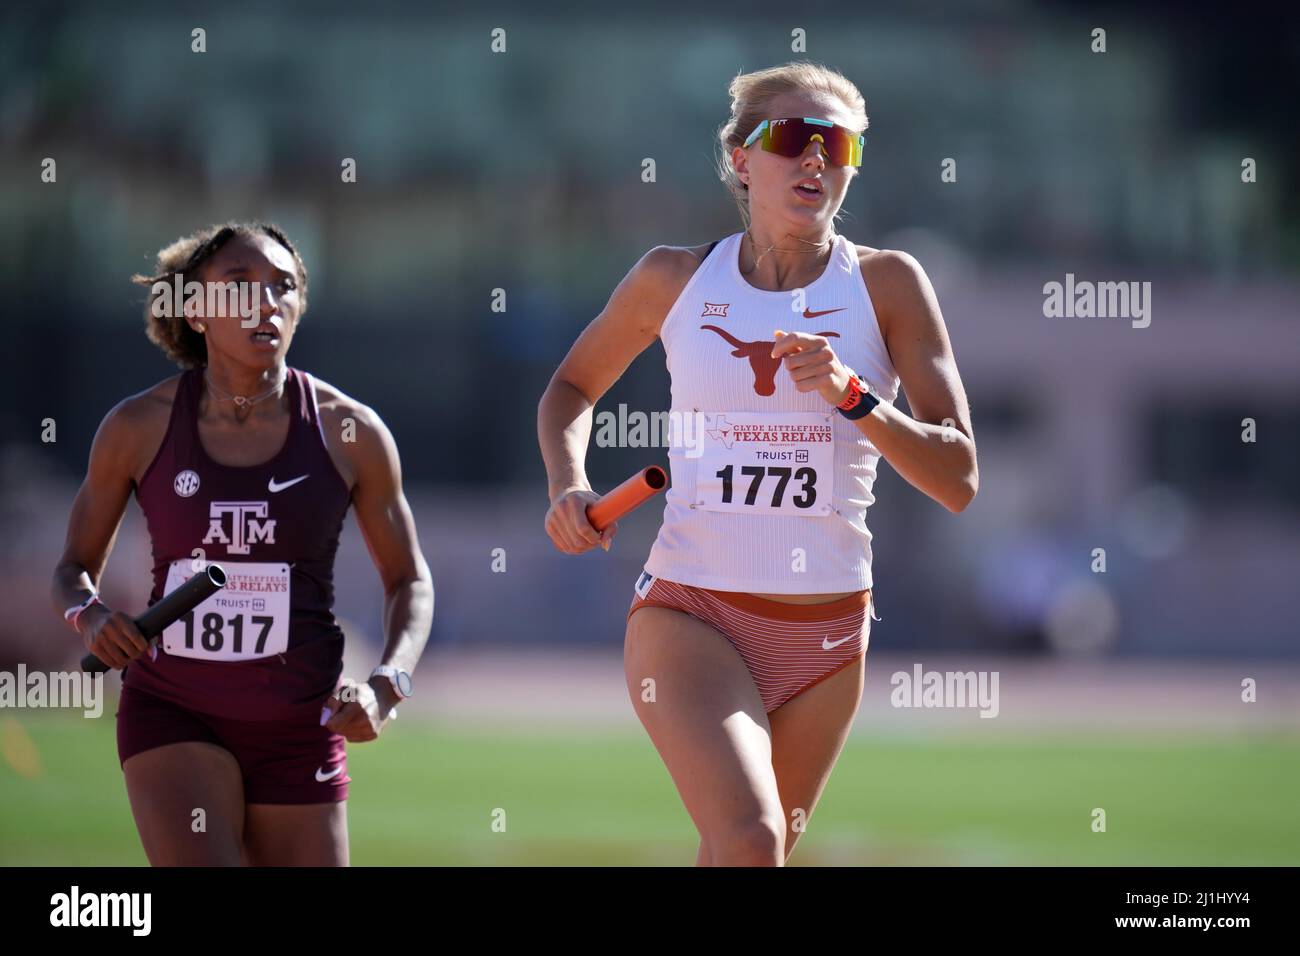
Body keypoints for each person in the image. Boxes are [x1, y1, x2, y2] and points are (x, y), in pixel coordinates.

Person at [539, 62, 978, 866]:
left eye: (838, 144)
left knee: (752, 857)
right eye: (793, 137)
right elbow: (570, 388)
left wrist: (855, 398)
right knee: (750, 835)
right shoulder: (672, 277)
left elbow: (958, 478)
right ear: (742, 160)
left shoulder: (887, 284)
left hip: (829, 632)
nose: (816, 159)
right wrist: (569, 483)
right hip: (692, 613)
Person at [51, 222, 433, 866]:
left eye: (283, 288)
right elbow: (73, 568)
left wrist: (387, 685)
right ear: (195, 312)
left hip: (300, 722)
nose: (266, 302)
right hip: (174, 709)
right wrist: (89, 616)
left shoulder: (351, 431)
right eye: (239, 285)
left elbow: (409, 581)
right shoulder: (136, 427)